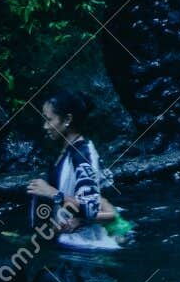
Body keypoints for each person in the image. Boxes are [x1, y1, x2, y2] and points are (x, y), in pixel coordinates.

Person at [24, 91, 122, 251]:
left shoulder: (82, 154)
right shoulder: (66, 151)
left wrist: (52, 193)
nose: (45, 126)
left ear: (68, 119)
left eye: (49, 120)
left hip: (85, 248)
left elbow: (90, 208)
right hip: (64, 242)